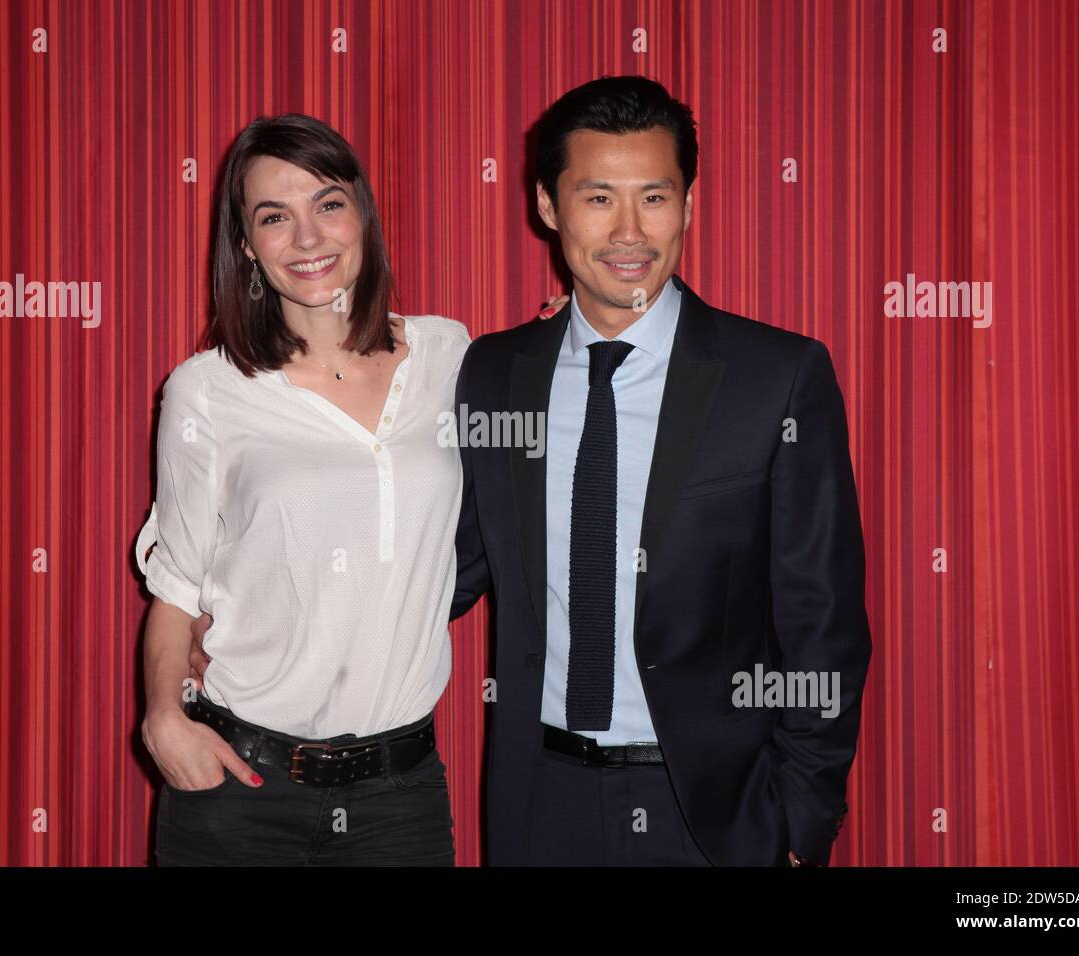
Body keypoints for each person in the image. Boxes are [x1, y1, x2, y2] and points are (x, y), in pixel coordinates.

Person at [445, 75, 873, 866]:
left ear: (688, 203)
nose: (629, 232)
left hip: (713, 815)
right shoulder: (494, 373)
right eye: (598, 197)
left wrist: (799, 821)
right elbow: (450, 568)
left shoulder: (775, 377)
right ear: (549, 206)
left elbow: (825, 622)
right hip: (539, 802)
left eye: (656, 196)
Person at [136, 113, 476, 865]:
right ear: (248, 246)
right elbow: (178, 587)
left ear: (363, 214)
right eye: (273, 218)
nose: (308, 237)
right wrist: (163, 717)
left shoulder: (452, 358)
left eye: (327, 203)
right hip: (239, 787)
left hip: (400, 797)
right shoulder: (207, 391)